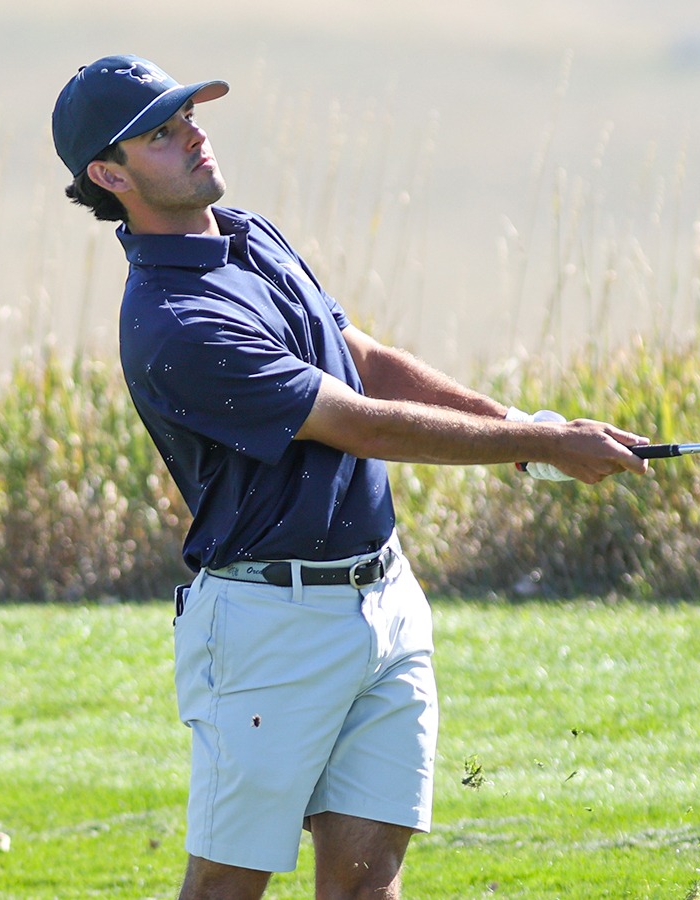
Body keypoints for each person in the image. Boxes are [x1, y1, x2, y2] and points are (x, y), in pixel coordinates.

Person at [52, 54, 648, 900]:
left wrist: (521, 432)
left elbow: (361, 358)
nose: (193, 135)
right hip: (269, 624)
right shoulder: (175, 323)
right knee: (228, 884)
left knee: (370, 886)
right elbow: (357, 423)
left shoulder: (247, 235)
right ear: (110, 174)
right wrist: (547, 448)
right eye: (162, 132)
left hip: (385, 599)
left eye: (188, 117)